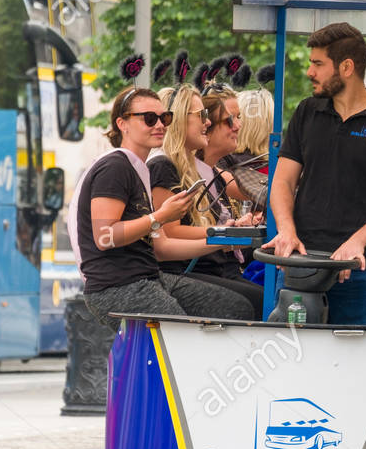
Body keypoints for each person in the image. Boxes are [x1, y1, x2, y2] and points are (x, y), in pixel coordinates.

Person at [264, 23, 366, 325]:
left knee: (354, 366)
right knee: (292, 366)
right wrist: (286, 230)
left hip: (361, 268)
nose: (310, 72)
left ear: (346, 67)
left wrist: (357, 242)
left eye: (318, 64)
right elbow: (282, 181)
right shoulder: (307, 111)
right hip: (302, 263)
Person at [72, 86, 255, 328]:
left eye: (164, 118)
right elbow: (105, 237)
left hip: (148, 278)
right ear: (122, 124)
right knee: (182, 335)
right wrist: (159, 217)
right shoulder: (115, 167)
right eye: (149, 119)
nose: (159, 125)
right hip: (118, 286)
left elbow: (162, 246)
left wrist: (222, 240)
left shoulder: (140, 169)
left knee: (238, 307)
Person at [147, 84, 263, 315]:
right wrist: (223, 232)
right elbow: (170, 232)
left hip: (210, 267)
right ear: (179, 119)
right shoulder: (163, 165)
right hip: (182, 271)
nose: (207, 123)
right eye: (202, 116)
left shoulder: (190, 167)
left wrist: (228, 229)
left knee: (268, 298)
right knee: (258, 302)